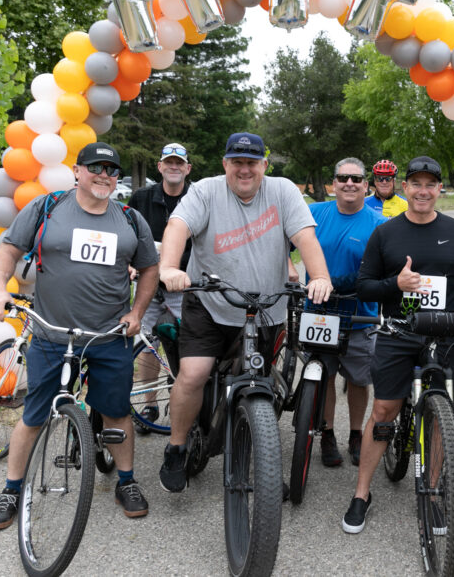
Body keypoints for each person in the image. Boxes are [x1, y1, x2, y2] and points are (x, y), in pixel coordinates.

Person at [0, 142, 159, 529]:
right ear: (77, 171)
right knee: (34, 415)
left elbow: (149, 269)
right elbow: (9, 249)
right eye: (95, 167)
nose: (104, 175)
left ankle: (126, 481)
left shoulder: (130, 219)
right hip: (51, 334)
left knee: (116, 413)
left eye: (112, 170)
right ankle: (11, 489)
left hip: (109, 336)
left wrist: (137, 312)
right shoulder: (48, 208)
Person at [341, 155, 454, 534]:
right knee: (384, 408)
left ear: (439, 190)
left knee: (441, 415)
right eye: (415, 183)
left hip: (447, 335)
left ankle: (433, 492)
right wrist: (394, 286)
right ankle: (362, 492)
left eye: (429, 184)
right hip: (398, 332)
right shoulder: (385, 233)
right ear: (405, 188)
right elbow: (365, 284)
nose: (422, 190)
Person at [157, 132, 333, 493]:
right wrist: (169, 269)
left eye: (252, 162)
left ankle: (258, 455)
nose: (244, 169)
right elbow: (178, 227)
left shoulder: (283, 191)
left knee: (261, 381)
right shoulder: (206, 190)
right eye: (236, 162)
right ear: (225, 164)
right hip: (209, 301)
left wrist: (321, 277)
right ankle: (176, 447)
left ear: (263, 166)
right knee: (194, 374)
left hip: (264, 307)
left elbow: (305, 238)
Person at [308, 157, 386, 467]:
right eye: (342, 178)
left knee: (358, 378)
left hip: (359, 315)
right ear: (333, 184)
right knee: (323, 375)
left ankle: (356, 434)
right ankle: (327, 434)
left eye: (356, 179)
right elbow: (284, 244)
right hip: (319, 313)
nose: (349, 183)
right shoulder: (313, 214)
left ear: (366, 185)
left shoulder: (379, 224)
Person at [128, 142, 192, 432]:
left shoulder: (197, 197)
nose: (174, 167)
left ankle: (185, 401)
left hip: (186, 286)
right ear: (160, 167)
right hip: (149, 283)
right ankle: (149, 404)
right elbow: (128, 237)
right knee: (146, 345)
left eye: (180, 163)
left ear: (188, 168)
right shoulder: (141, 198)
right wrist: (130, 263)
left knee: (190, 345)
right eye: (169, 162)